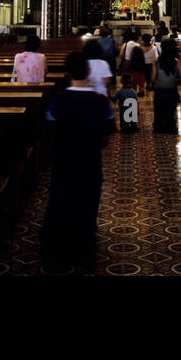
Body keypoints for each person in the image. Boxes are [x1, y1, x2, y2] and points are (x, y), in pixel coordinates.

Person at [39, 51, 114, 269]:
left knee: (61, 198)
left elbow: (49, 128)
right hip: (90, 161)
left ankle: (59, 245)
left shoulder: (59, 99)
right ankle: (84, 244)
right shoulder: (100, 101)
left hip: (64, 160)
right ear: (89, 72)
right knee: (88, 201)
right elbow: (108, 131)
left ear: (67, 73)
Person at [152, 38, 181, 133]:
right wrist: (173, 80)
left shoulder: (157, 61)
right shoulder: (176, 61)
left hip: (159, 90)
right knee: (171, 110)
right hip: (172, 90)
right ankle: (171, 126)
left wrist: (159, 80)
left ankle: (159, 127)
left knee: (159, 110)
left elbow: (152, 78)